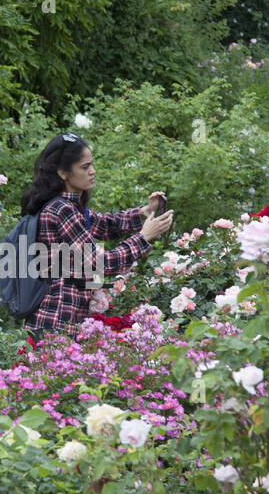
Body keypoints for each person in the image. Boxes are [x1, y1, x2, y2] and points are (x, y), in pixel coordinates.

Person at [18, 132, 173, 343]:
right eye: (85, 167)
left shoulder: (72, 207)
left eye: (91, 165)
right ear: (63, 173)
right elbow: (100, 264)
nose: (93, 171)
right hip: (56, 323)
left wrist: (144, 211)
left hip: (62, 320)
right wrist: (144, 237)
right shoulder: (61, 210)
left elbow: (107, 224)